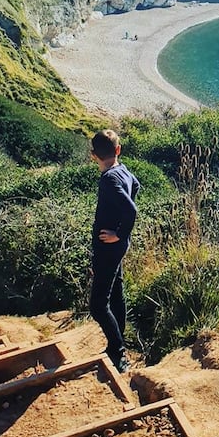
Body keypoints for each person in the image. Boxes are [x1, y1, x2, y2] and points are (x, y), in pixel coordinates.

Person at [89, 129, 140, 373]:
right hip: (117, 247)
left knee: (98, 305)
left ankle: (118, 352)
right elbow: (136, 186)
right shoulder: (123, 170)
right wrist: (121, 235)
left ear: (93, 156)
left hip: (109, 248)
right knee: (116, 293)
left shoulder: (109, 178)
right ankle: (117, 346)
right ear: (118, 150)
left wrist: (118, 233)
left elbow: (131, 211)